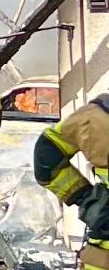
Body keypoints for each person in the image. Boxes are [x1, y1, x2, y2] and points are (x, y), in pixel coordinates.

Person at [32, 94, 109, 267]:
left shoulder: (95, 116)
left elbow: (47, 158)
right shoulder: (97, 116)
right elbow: (47, 155)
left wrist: (85, 198)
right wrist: (85, 197)